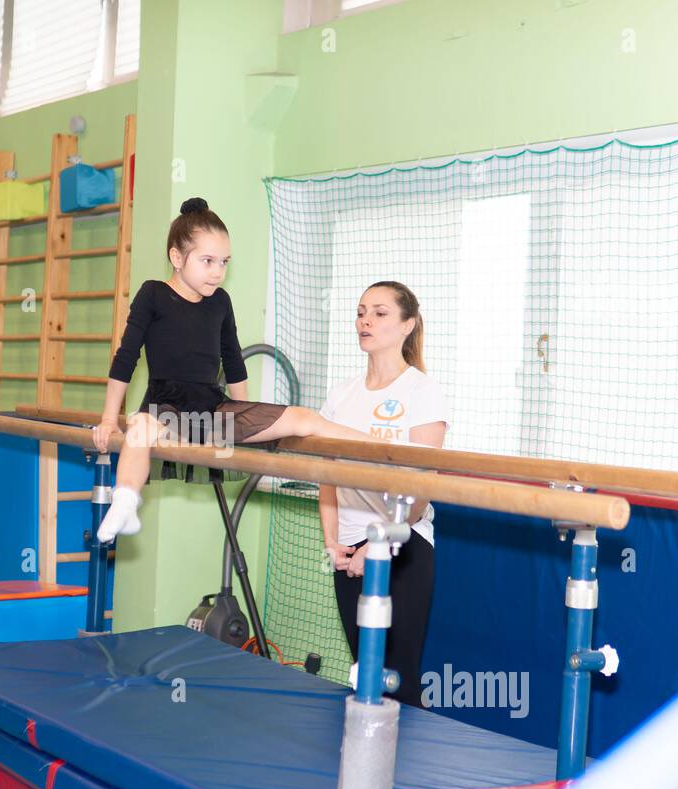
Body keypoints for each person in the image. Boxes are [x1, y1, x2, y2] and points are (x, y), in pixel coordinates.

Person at [92, 198, 376, 541]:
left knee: (304, 418)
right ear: (177, 258)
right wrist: (110, 418)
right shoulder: (153, 294)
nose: (218, 272)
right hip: (167, 409)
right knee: (138, 427)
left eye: (224, 262)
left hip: (214, 410)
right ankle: (125, 503)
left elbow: (234, 362)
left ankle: (383, 450)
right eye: (208, 261)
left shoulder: (220, 302)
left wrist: (244, 415)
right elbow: (126, 358)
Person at [318, 281, 449, 707]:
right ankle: (364, 770)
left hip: (402, 545)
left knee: (398, 678)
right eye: (360, 312)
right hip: (350, 548)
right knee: (364, 673)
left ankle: (403, 774)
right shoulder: (341, 394)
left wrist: (377, 546)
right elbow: (325, 475)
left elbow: (421, 489)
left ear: (408, 324)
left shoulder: (420, 391)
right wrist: (332, 543)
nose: (365, 321)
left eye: (379, 313)